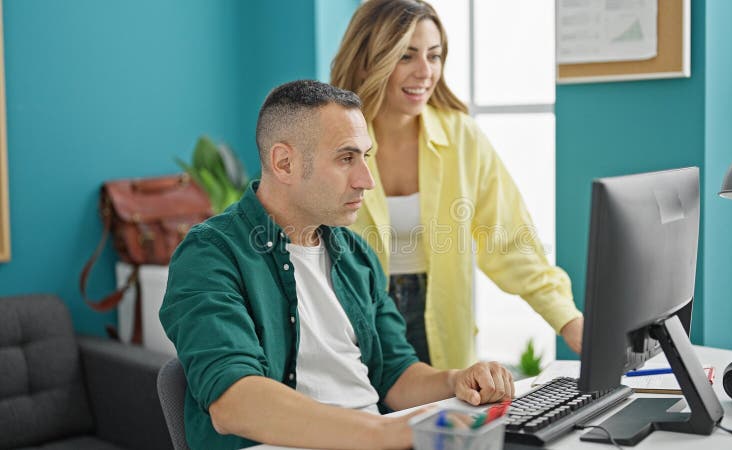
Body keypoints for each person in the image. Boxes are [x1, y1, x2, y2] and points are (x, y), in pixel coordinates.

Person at [159, 79, 515, 450]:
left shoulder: (355, 254)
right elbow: (235, 404)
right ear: (284, 163)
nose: (366, 180)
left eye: (366, 156)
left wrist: (455, 380)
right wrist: (387, 433)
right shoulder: (210, 254)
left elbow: (395, 374)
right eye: (346, 158)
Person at [330, 0, 584, 370]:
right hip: (351, 318)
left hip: (440, 322)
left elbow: (509, 239)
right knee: (367, 424)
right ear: (369, 59)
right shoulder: (332, 137)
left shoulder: (462, 137)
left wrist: (569, 319)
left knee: (439, 423)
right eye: (406, 56)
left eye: (434, 56)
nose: (425, 72)